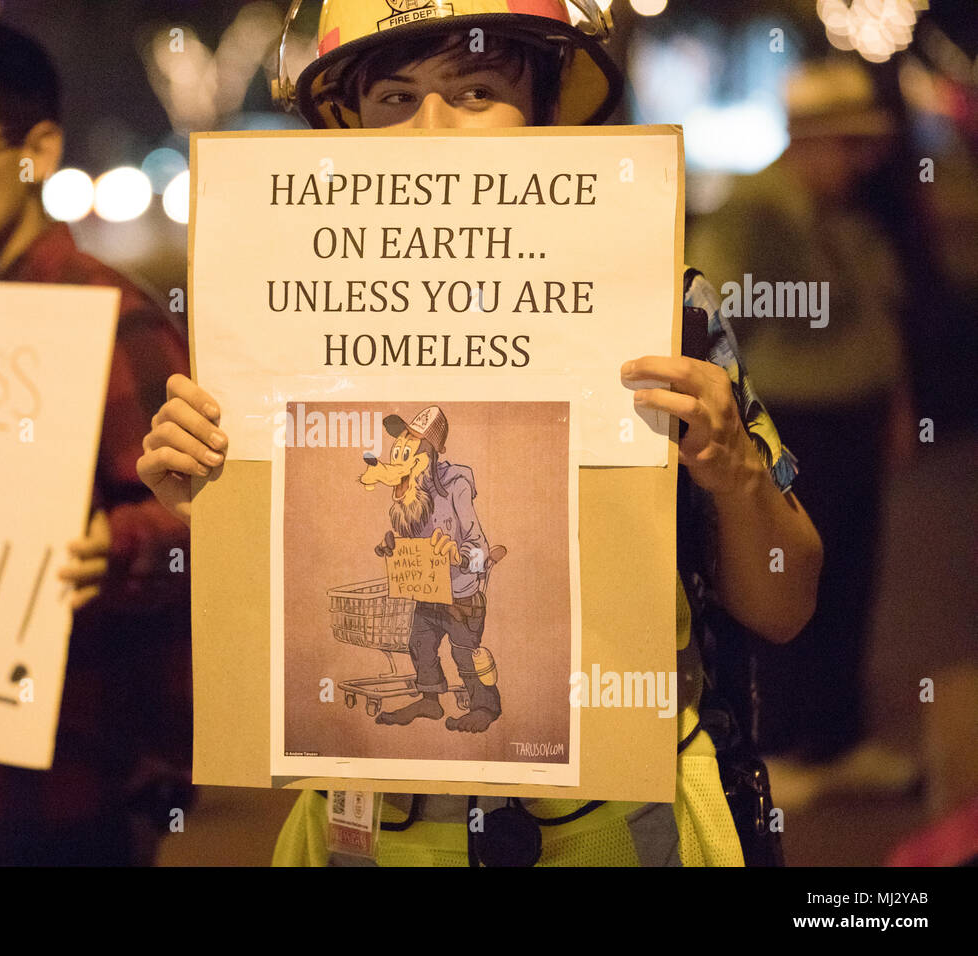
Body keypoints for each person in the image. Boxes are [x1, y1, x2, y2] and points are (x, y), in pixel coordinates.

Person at [138, 0, 823, 866]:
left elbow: (787, 603)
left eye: (473, 92)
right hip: (364, 833)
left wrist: (738, 477)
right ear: (346, 125)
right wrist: (218, 500)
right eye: (393, 99)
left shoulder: (661, 308)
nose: (431, 131)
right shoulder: (278, 325)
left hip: (615, 830)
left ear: (541, 114)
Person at [0, 21, 192, 865]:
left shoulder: (112, 318)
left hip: (70, 781)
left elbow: (205, 520)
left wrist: (121, 543)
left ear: (37, 151)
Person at [687, 58, 917, 804]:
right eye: (848, 143)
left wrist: (893, 404)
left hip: (851, 416)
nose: (863, 159)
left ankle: (836, 740)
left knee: (850, 581)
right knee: (786, 582)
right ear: (809, 141)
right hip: (794, 423)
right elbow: (716, 318)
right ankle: (782, 742)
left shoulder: (844, 208)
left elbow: (879, 312)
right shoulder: (760, 209)